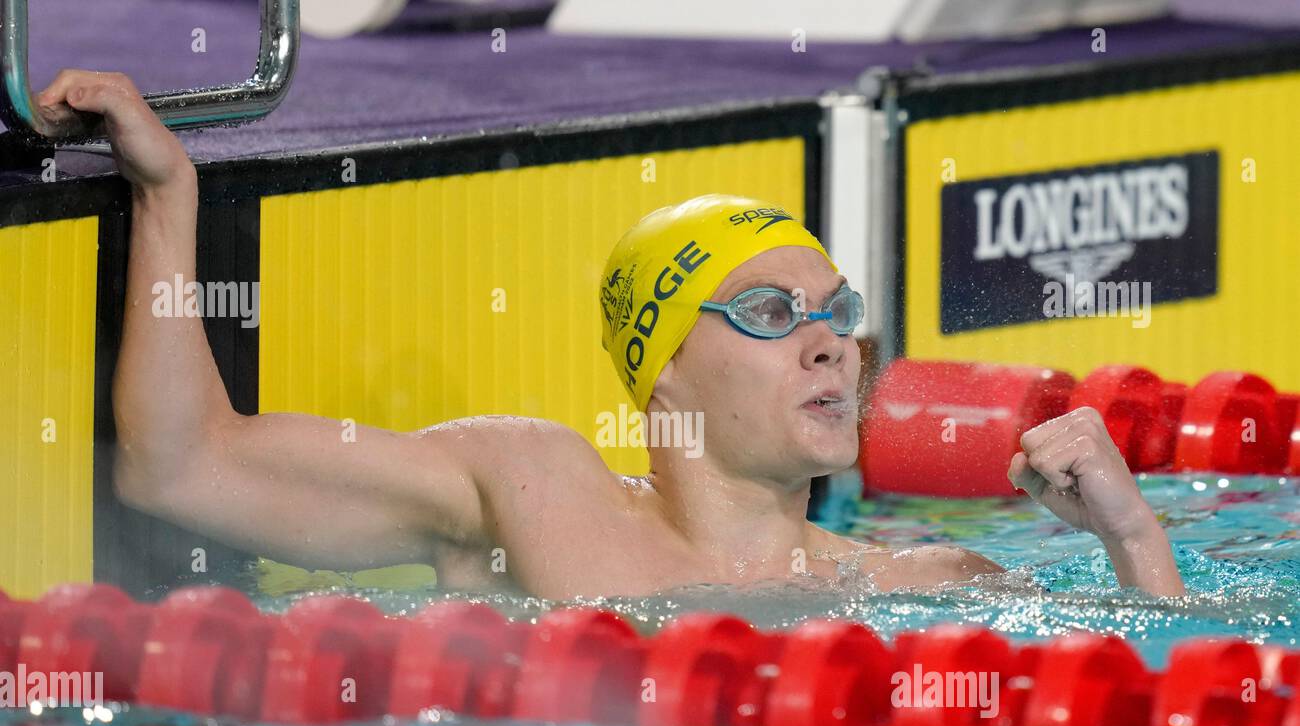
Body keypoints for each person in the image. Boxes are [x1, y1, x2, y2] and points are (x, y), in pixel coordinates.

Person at [35, 70, 1185, 600]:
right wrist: (167, 195)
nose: (833, 343)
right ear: (664, 368)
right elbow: (178, 465)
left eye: (838, 316)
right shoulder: (529, 488)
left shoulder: (920, 580)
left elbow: (1177, 712)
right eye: (776, 316)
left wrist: (1134, 545)